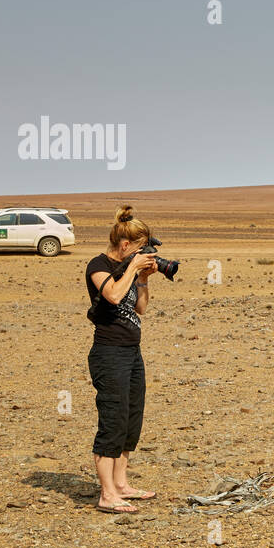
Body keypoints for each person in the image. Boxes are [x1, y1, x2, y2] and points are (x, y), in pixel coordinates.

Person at [85, 205, 160, 513]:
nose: (144, 254)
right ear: (126, 245)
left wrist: (143, 278)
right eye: (141, 250)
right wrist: (131, 269)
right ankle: (106, 495)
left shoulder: (132, 270)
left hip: (132, 351)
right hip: (108, 353)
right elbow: (113, 296)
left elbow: (140, 308)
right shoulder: (98, 265)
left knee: (131, 418)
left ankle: (120, 484)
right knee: (113, 419)